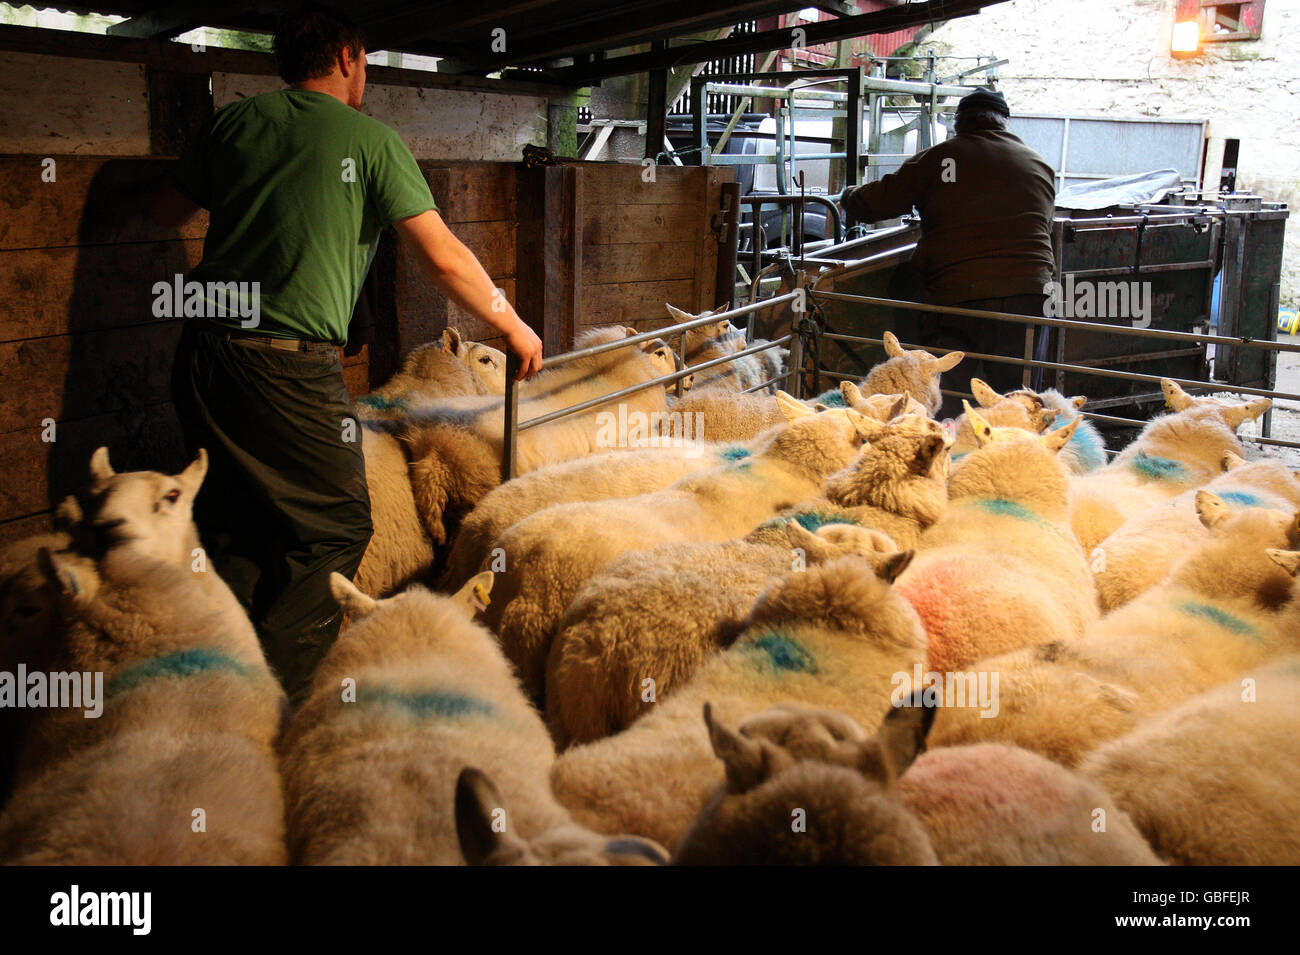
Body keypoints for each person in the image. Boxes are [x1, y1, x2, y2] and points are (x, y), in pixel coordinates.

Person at [148, 4, 543, 699]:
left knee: (238, 526)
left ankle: (218, 684)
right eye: (366, 62)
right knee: (335, 523)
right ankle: (285, 699)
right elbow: (444, 259)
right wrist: (511, 323)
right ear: (350, 58)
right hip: (286, 365)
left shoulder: (233, 122)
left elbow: (164, 211)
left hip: (205, 358)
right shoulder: (369, 141)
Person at [842, 88, 1056, 415]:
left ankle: (948, 453)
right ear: (1005, 123)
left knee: (947, 393)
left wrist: (849, 195)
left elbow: (876, 203)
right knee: (1020, 398)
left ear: (959, 124)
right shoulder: (1038, 163)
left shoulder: (943, 158)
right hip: (1029, 297)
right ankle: (1018, 455)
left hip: (958, 297)